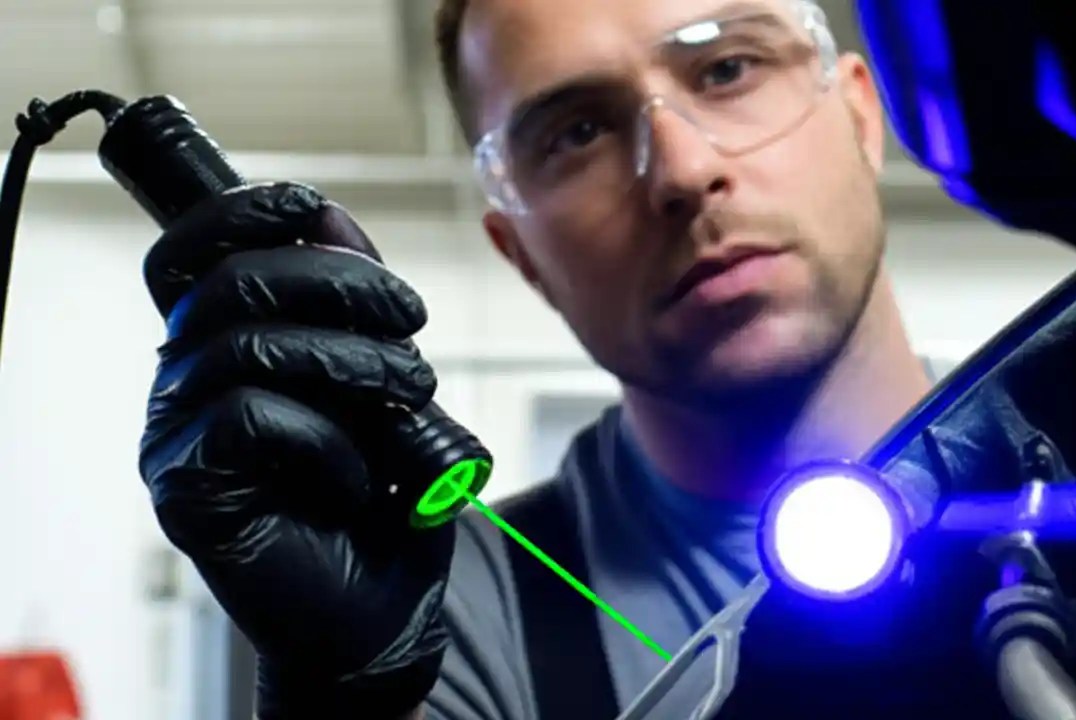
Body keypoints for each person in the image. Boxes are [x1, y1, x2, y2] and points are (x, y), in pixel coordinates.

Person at [135, 0, 932, 718]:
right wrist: (341, 705)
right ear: (522, 256)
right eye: (579, 133)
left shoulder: (1033, 461)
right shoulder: (445, 627)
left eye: (727, 69)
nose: (684, 170)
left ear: (861, 115)